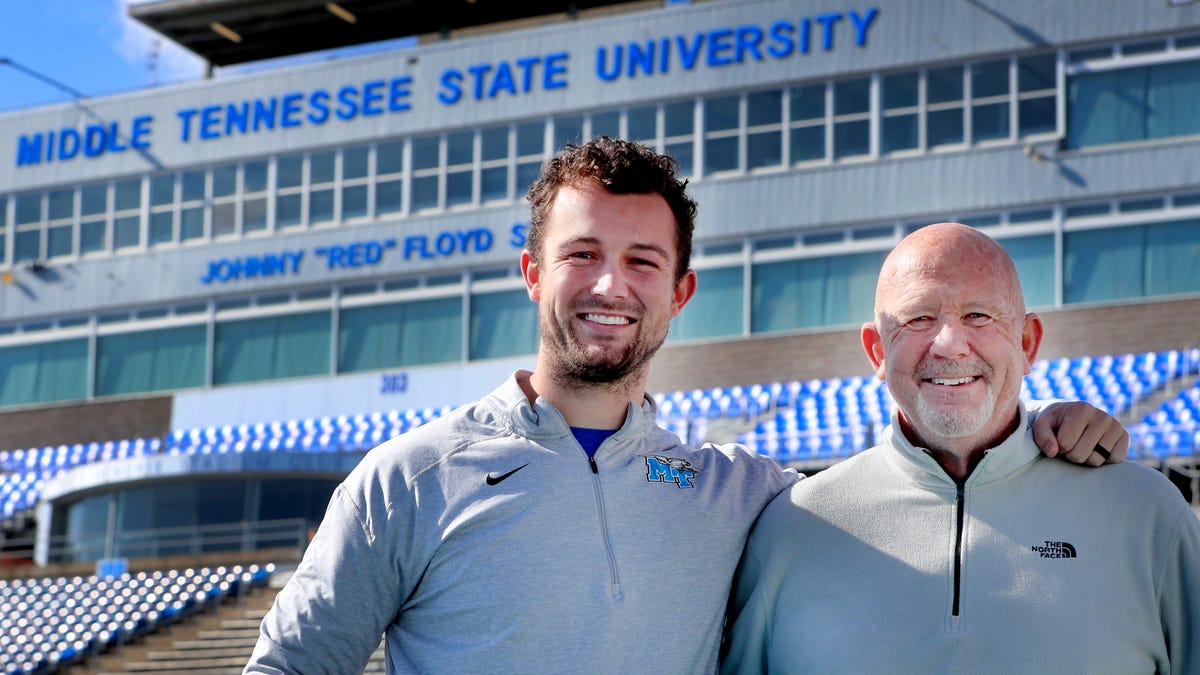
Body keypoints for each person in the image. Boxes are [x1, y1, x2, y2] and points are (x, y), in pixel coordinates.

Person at [245, 142, 1124, 674]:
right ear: (532, 274)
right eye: (581, 253)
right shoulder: (409, 480)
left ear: (680, 290)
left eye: (642, 262)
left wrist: (1043, 430)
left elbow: (917, 487)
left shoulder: (737, 493)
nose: (608, 285)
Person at [722, 222, 1198, 674]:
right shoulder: (791, 528)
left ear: (1027, 343)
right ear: (877, 352)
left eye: (977, 315)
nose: (949, 344)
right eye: (918, 318)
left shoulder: (1145, 515)